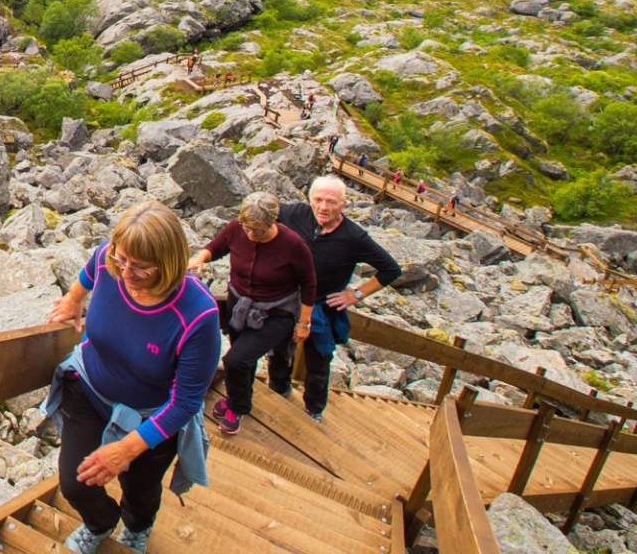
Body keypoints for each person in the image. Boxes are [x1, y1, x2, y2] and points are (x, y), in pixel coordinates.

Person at [44, 201, 221, 554]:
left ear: (169, 264)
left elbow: (185, 401)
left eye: (141, 267)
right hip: (91, 389)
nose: (125, 272)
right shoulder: (109, 260)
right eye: (121, 259)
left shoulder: (197, 315)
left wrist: (127, 449)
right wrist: (73, 299)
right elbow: (93, 267)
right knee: (75, 482)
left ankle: (138, 527)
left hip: (151, 414)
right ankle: (100, 522)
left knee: (141, 489)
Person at [269, 176, 403, 422]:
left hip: (322, 307)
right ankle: (278, 390)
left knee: (319, 360)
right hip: (288, 299)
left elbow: (391, 270)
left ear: (343, 204)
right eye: (318, 200)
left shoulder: (354, 237)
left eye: (331, 202)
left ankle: (314, 409)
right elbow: (261, 218)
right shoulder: (294, 214)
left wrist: (356, 294)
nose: (323, 207)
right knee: (278, 350)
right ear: (309, 199)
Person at [189, 192, 315, 436]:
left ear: (272, 223)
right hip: (240, 305)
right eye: (248, 228)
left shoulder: (293, 245)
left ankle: (237, 407)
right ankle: (241, 396)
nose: (250, 234)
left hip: (276, 312)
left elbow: (309, 284)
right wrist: (199, 258)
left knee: (236, 359)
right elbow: (215, 247)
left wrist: (304, 322)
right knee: (243, 359)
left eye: (258, 230)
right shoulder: (237, 229)